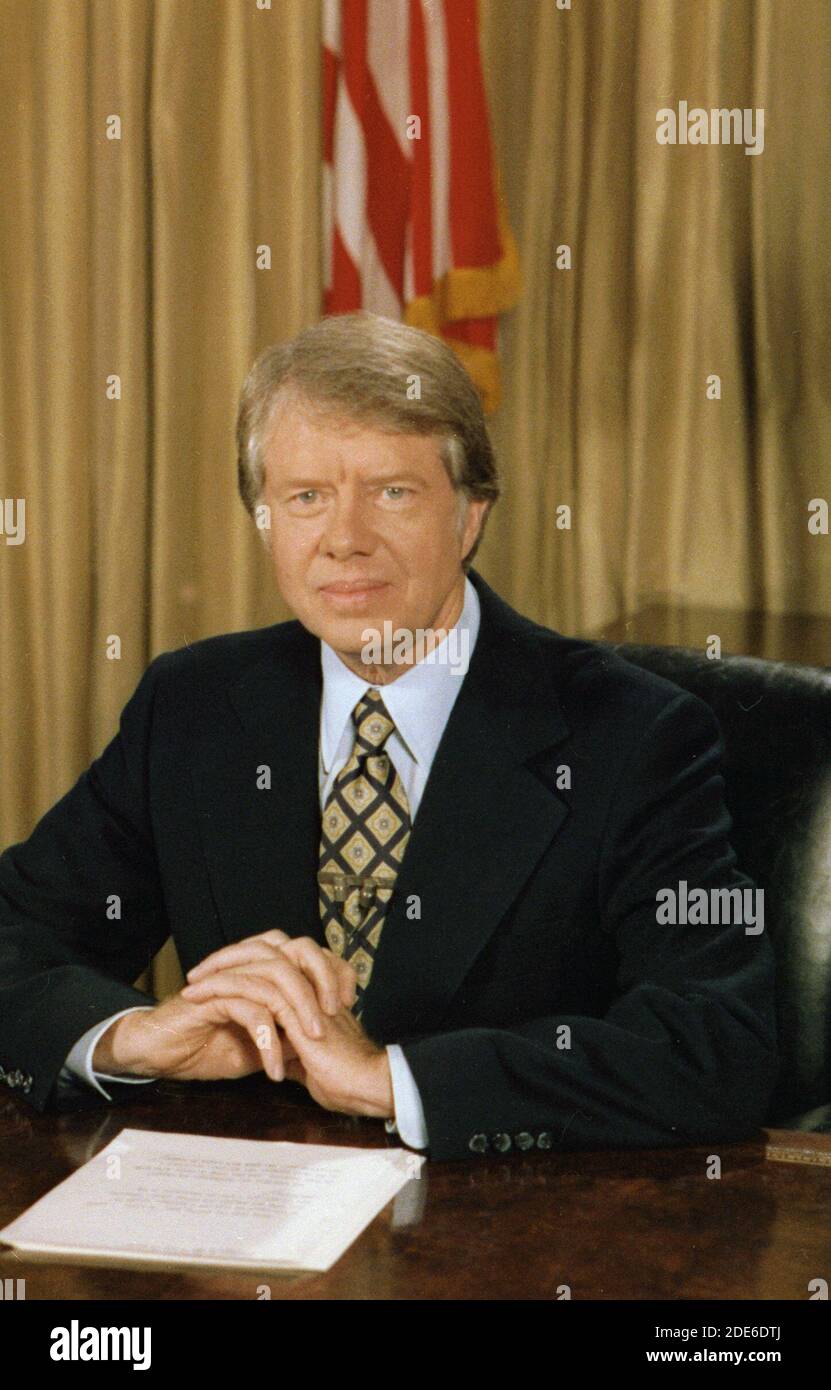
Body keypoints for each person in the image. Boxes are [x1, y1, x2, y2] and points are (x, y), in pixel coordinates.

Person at [0, 311, 778, 1162]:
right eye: (305, 498)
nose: (343, 539)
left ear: (470, 514)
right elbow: (19, 931)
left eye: (393, 492)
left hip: (504, 1237)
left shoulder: (632, 734)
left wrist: (392, 1080)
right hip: (244, 1223)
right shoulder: (192, 705)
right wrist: (129, 1037)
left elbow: (715, 1044)